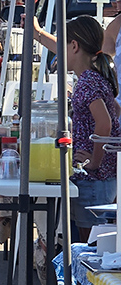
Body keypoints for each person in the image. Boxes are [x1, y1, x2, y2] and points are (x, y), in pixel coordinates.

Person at [34, 14, 121, 242]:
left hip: (94, 178)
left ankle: (85, 280)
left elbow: (105, 122)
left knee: (89, 243)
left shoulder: (86, 82)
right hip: (105, 176)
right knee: (98, 238)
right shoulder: (98, 76)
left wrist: (94, 160)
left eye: (62, 45)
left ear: (74, 46)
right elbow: (115, 112)